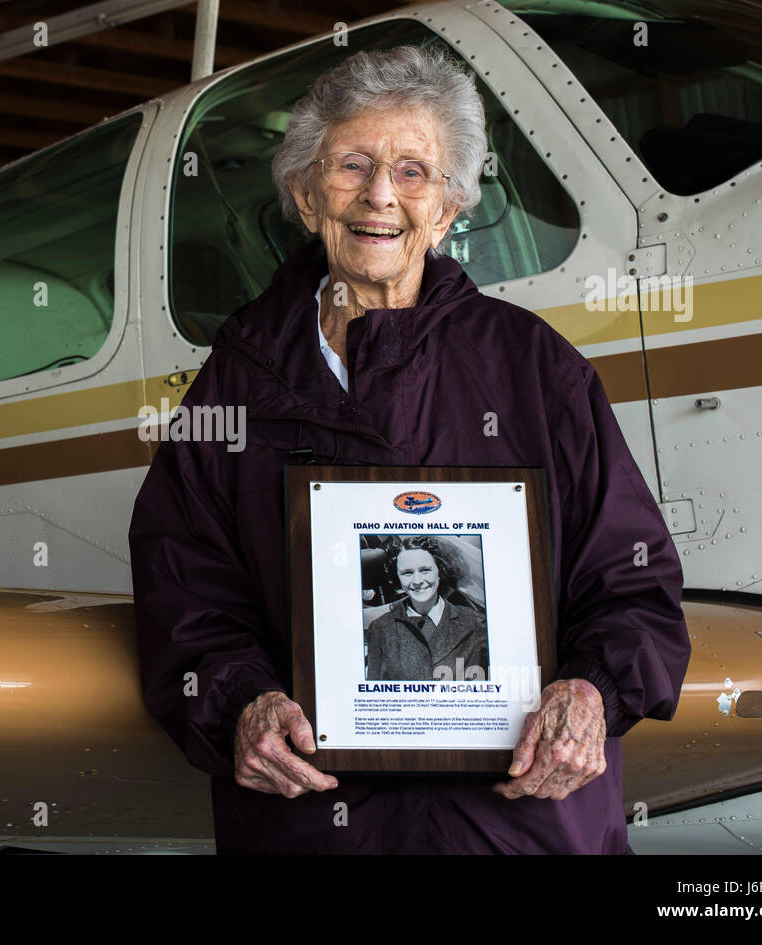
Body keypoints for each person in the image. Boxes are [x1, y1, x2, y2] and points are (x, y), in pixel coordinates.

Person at [129, 44, 690, 854]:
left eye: (413, 171)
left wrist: (594, 689)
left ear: (451, 206)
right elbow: (183, 594)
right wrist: (241, 702)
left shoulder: (539, 370)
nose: (380, 194)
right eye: (352, 164)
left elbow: (633, 584)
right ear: (306, 191)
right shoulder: (234, 386)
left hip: (521, 831)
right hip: (315, 830)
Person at [365, 537, 488, 680]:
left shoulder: (476, 624)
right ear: (397, 577)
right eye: (407, 573)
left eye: (425, 570)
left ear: (440, 572)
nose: (417, 581)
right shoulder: (380, 629)